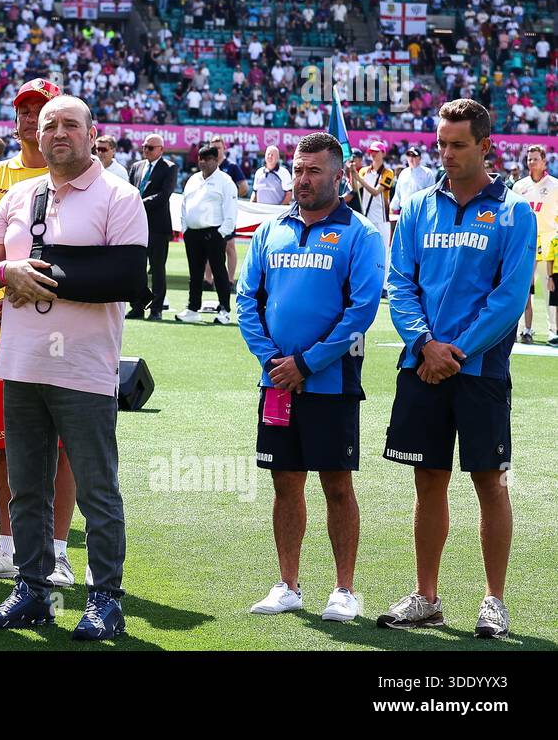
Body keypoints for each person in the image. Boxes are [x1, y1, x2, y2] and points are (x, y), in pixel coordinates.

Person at [0, 96, 148, 641]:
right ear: (36, 136)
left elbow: (126, 278)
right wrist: (5, 269)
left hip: (85, 367)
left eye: (71, 124)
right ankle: (32, 590)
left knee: (97, 489)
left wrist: (34, 276)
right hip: (20, 363)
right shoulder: (20, 193)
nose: (59, 132)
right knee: (26, 485)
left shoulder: (119, 194)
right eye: (50, 125)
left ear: (93, 133)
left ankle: (106, 598)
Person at [379, 99, 536, 639]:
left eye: (458, 144)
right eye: (440, 143)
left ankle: (494, 600)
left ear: (486, 146)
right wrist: (425, 344)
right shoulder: (420, 206)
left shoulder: (515, 211)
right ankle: (427, 596)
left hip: (478, 370)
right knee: (429, 480)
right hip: (421, 363)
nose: (445, 153)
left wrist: (456, 352)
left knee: (490, 480)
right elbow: (399, 282)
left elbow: (510, 297)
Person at [236, 132, 385, 622]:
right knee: (285, 483)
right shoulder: (270, 230)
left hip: (331, 383)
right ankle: (288, 584)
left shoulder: (360, 233)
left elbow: (360, 310)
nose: (302, 178)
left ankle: (345, 589)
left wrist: (307, 363)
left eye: (313, 171)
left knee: (337, 485)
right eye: (298, 169)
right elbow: (247, 302)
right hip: (276, 382)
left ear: (338, 175)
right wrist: (273, 362)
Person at [0, 77, 82, 588]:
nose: (32, 119)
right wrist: (3, 297)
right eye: (25, 110)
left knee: (65, 444)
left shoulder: (85, 179)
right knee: (6, 443)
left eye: (42, 110)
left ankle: (58, 551)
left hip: (65, 331)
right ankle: (9, 547)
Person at [177, 145, 238, 324]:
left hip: (214, 233)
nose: (202, 162)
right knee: (195, 273)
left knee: (219, 271)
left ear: (215, 160)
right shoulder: (193, 179)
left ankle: (225, 311)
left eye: (207, 159)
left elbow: (231, 211)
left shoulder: (225, 181)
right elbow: (184, 204)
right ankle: (192, 309)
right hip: (192, 233)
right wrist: (185, 229)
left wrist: (221, 233)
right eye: (200, 159)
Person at [511, 145, 558, 344]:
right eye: (529, 159)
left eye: (535, 159)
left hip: (549, 242)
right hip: (526, 242)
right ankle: (525, 329)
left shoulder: (555, 185)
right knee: (524, 288)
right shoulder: (519, 186)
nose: (532, 162)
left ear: (544, 161)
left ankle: (553, 331)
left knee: (550, 290)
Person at [129, 133, 177, 320]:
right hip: (136, 225)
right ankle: (137, 307)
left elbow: (164, 195)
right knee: (136, 268)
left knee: (157, 269)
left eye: (150, 147)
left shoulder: (169, 168)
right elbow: (130, 191)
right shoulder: (136, 167)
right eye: (144, 147)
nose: (145, 150)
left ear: (161, 150)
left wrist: (139, 203)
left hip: (157, 227)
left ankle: (156, 309)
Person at [350, 141, 396, 277]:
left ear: (383, 153)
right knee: (366, 252)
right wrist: (353, 174)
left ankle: (385, 287)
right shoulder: (364, 171)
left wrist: (358, 177)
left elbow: (376, 192)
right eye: (371, 152)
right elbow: (355, 188)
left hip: (382, 219)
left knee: (384, 252)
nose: (373, 154)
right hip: (367, 218)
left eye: (376, 152)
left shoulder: (388, 173)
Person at [210, 135, 247, 285]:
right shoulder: (208, 165)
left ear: (224, 148)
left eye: (218, 147)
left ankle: (230, 280)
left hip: (227, 213)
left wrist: (230, 198)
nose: (216, 150)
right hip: (210, 213)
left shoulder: (231, 166)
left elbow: (244, 187)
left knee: (229, 245)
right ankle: (208, 280)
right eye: (213, 148)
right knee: (208, 247)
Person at [390, 146, 436, 216]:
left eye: (414, 155)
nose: (411, 158)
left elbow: (431, 194)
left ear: (420, 158)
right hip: (404, 209)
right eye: (409, 155)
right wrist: (392, 207)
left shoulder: (427, 173)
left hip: (421, 210)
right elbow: (398, 193)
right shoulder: (403, 173)